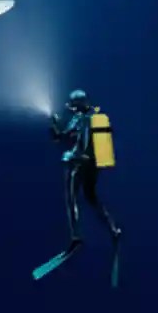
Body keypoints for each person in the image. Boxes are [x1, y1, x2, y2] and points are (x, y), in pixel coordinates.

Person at [33, 89, 123, 285]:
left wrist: (71, 155)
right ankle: (113, 229)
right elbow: (63, 137)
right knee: (91, 197)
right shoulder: (92, 117)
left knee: (71, 197)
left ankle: (76, 236)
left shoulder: (82, 119)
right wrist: (55, 125)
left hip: (81, 165)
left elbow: (77, 145)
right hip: (94, 166)